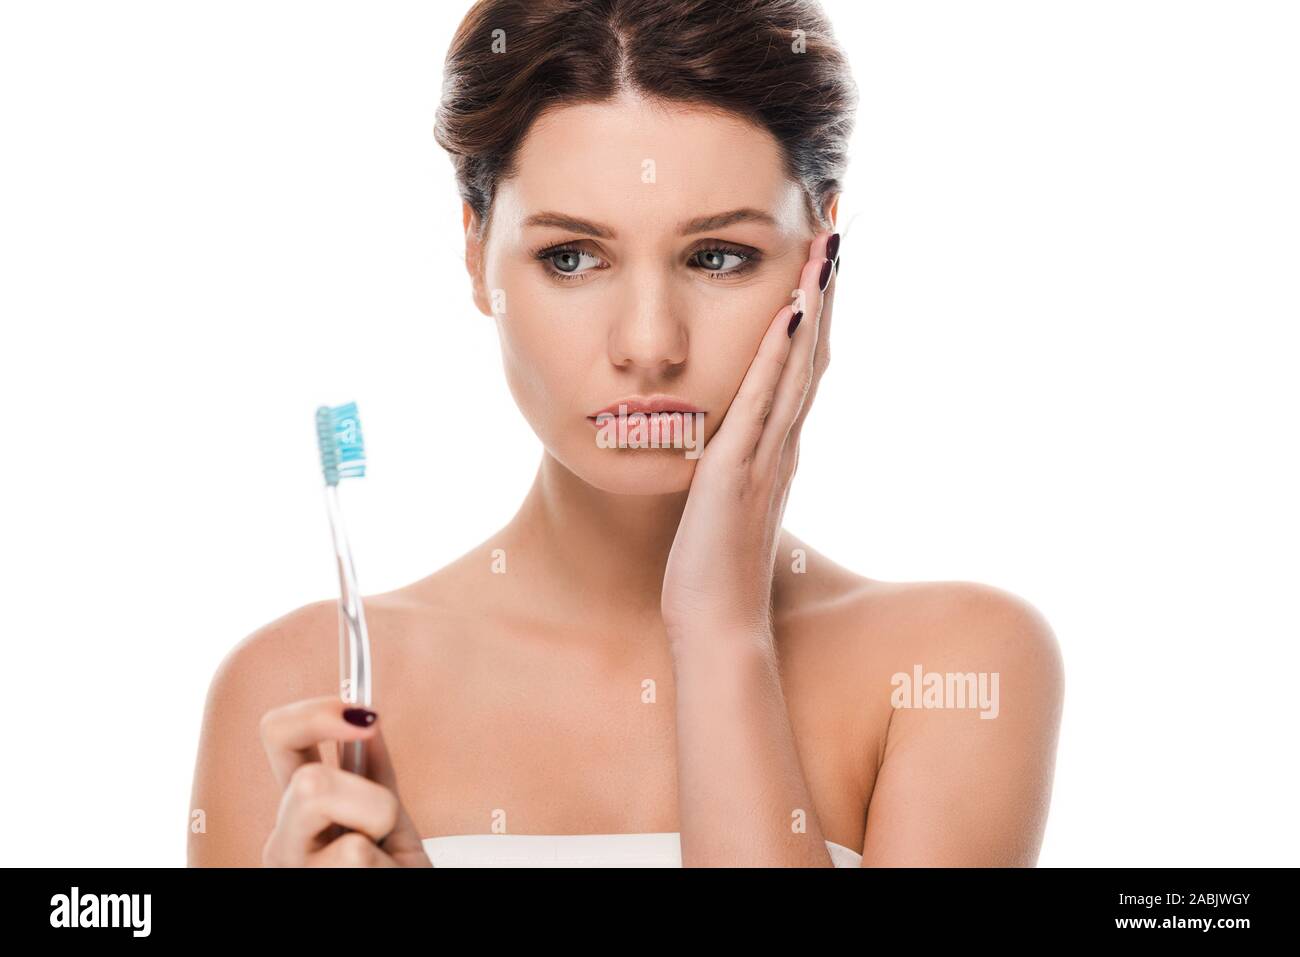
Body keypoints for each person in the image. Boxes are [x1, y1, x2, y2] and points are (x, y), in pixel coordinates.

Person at [188, 0, 1064, 868]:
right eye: (572, 256)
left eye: (717, 255)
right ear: (474, 253)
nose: (649, 345)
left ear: (819, 262)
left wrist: (721, 629)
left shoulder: (956, 670)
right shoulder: (303, 695)